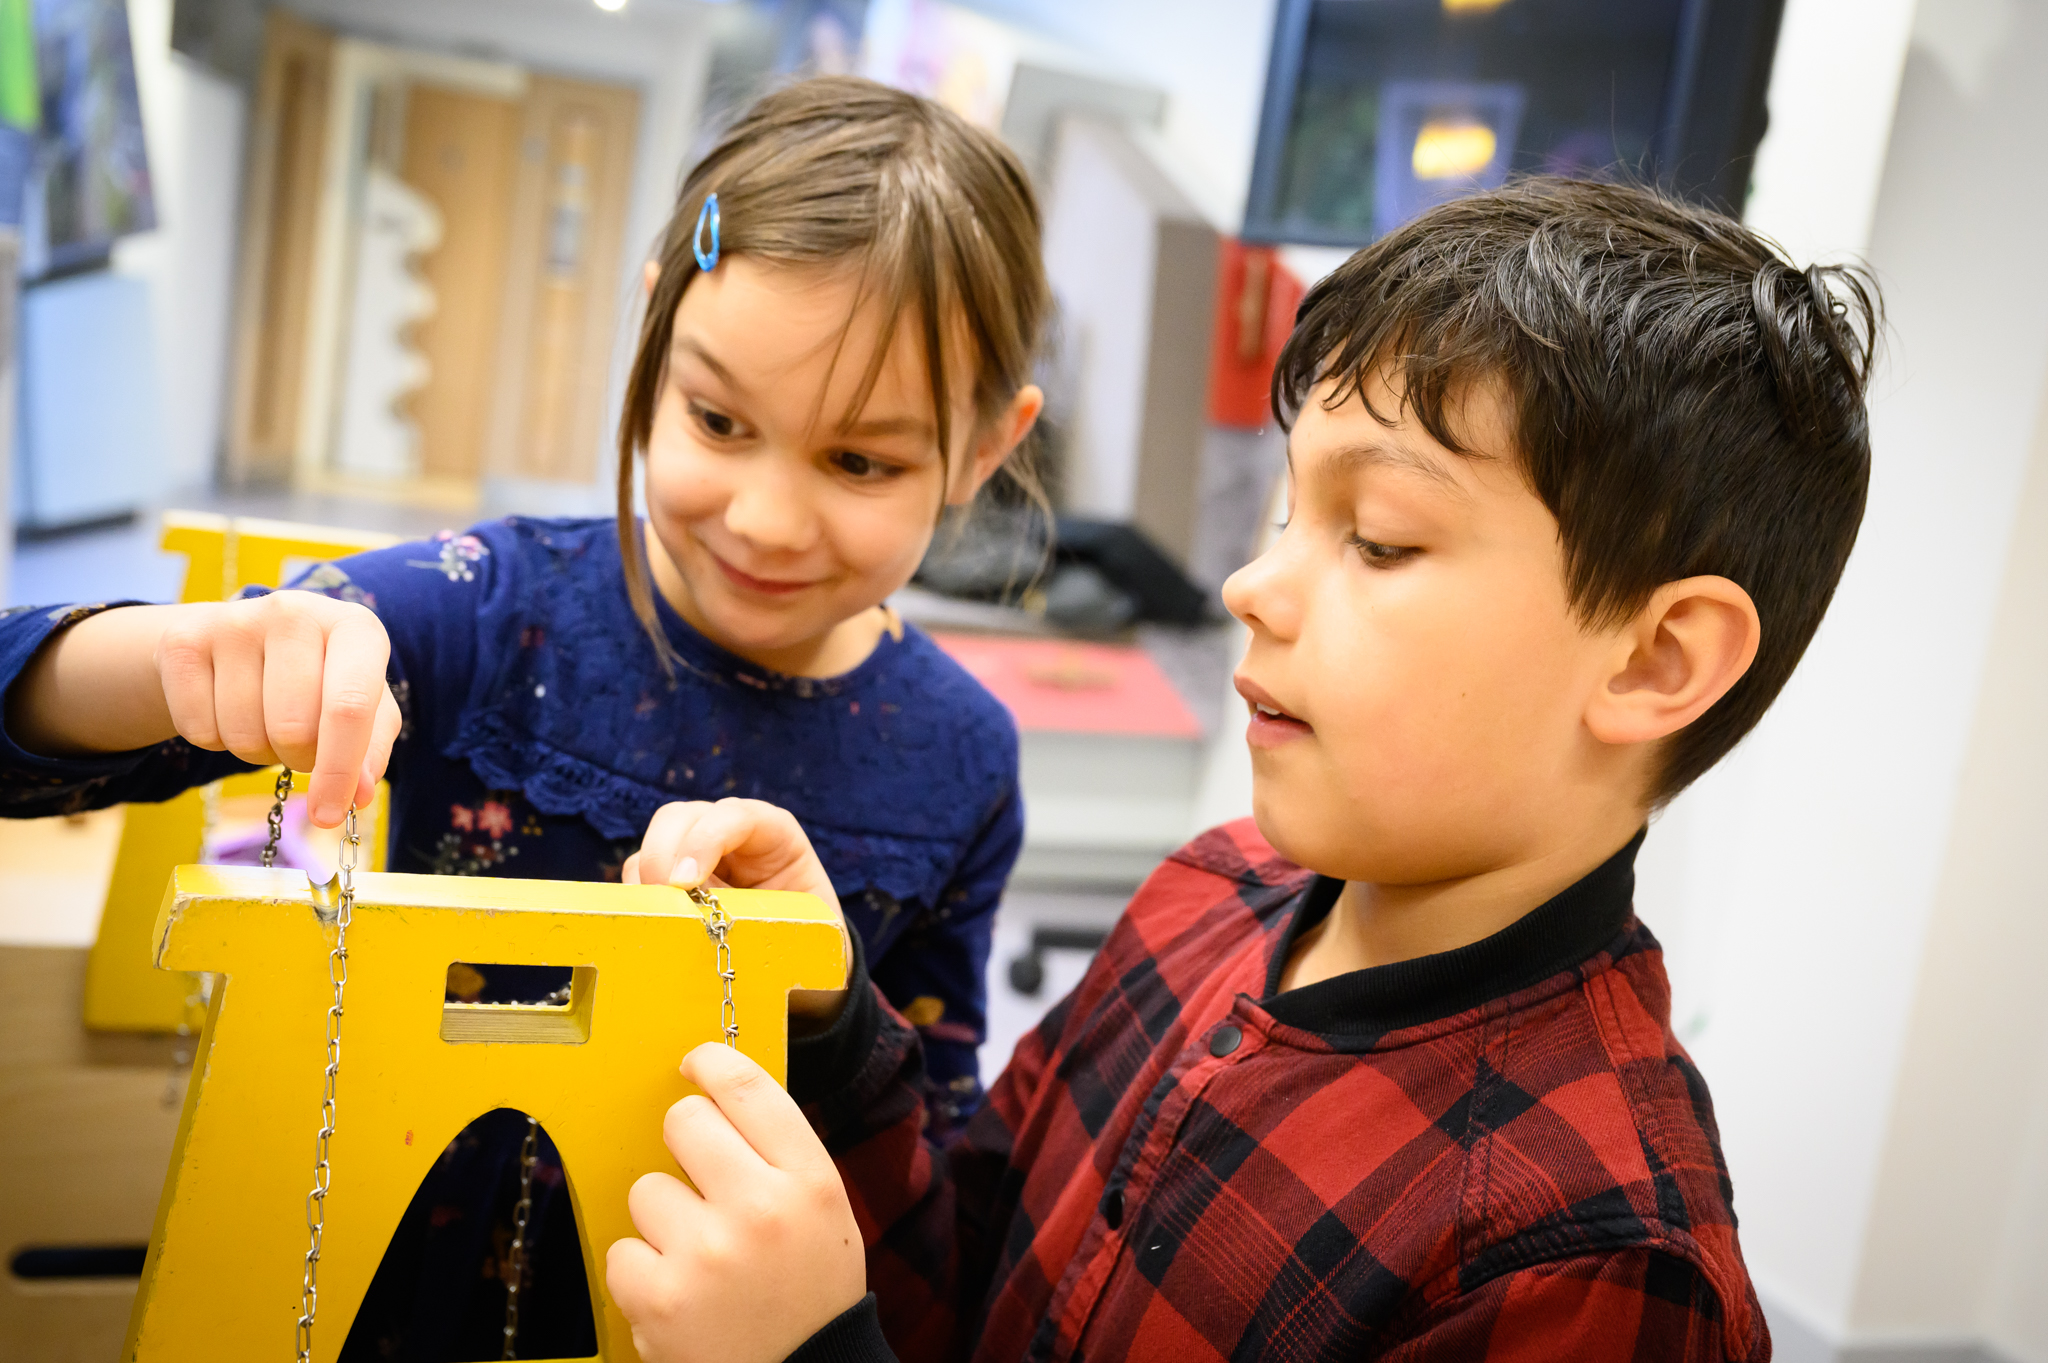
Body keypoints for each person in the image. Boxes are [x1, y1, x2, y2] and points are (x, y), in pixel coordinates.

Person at [605, 178, 1881, 1363]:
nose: (1249, 587)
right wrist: (828, 1020)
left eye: (1377, 540)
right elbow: (957, 1274)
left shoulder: (1590, 1259)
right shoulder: (1206, 891)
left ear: (1656, 659)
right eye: (1289, 515)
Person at [0, 77, 1048, 1360]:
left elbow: (926, 1174)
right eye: (717, 420)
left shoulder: (961, 758)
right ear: (656, 331)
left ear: (987, 448)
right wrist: (175, 656)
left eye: (860, 462)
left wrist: (829, 1014)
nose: (768, 520)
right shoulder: (486, 612)